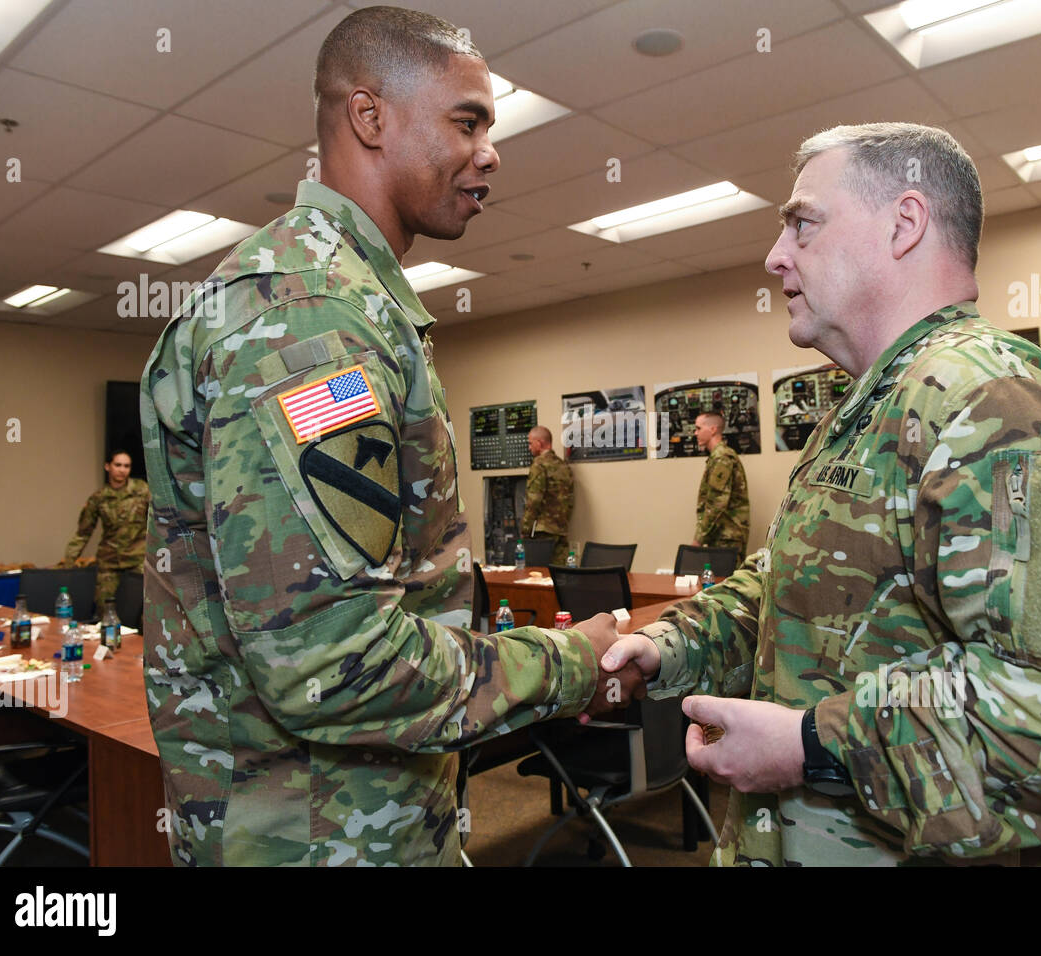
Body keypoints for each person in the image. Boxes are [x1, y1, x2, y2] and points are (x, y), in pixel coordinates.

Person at [604, 123, 1041, 866]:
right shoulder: (866, 411)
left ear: (904, 225)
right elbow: (795, 590)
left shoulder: (997, 403)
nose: (775, 255)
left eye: (802, 224)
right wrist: (669, 647)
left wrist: (813, 745)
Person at [138, 6, 638, 867]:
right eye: (467, 121)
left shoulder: (346, 300)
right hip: (316, 837)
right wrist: (568, 664)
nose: (491, 152)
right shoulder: (310, 316)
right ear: (370, 117)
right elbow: (328, 662)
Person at [59, 449, 149, 617]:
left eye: (127, 466)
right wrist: (68, 566)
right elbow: (82, 533)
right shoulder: (98, 498)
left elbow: (159, 520)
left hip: (137, 559)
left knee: (142, 612)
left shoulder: (142, 490)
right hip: (109, 561)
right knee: (104, 610)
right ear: (107, 466)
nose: (122, 470)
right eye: (118, 465)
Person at [691, 412, 750, 561]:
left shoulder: (722, 458)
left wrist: (698, 539)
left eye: (698, 428)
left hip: (726, 538)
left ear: (712, 429)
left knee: (725, 583)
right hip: (721, 536)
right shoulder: (717, 457)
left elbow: (717, 502)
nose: (695, 433)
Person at [519, 425, 573, 564]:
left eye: (530, 443)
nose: (529, 447)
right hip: (561, 530)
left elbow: (533, 500)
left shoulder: (539, 464)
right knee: (559, 576)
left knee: (539, 576)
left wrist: (525, 529)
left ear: (539, 443)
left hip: (543, 533)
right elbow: (570, 500)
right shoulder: (563, 465)